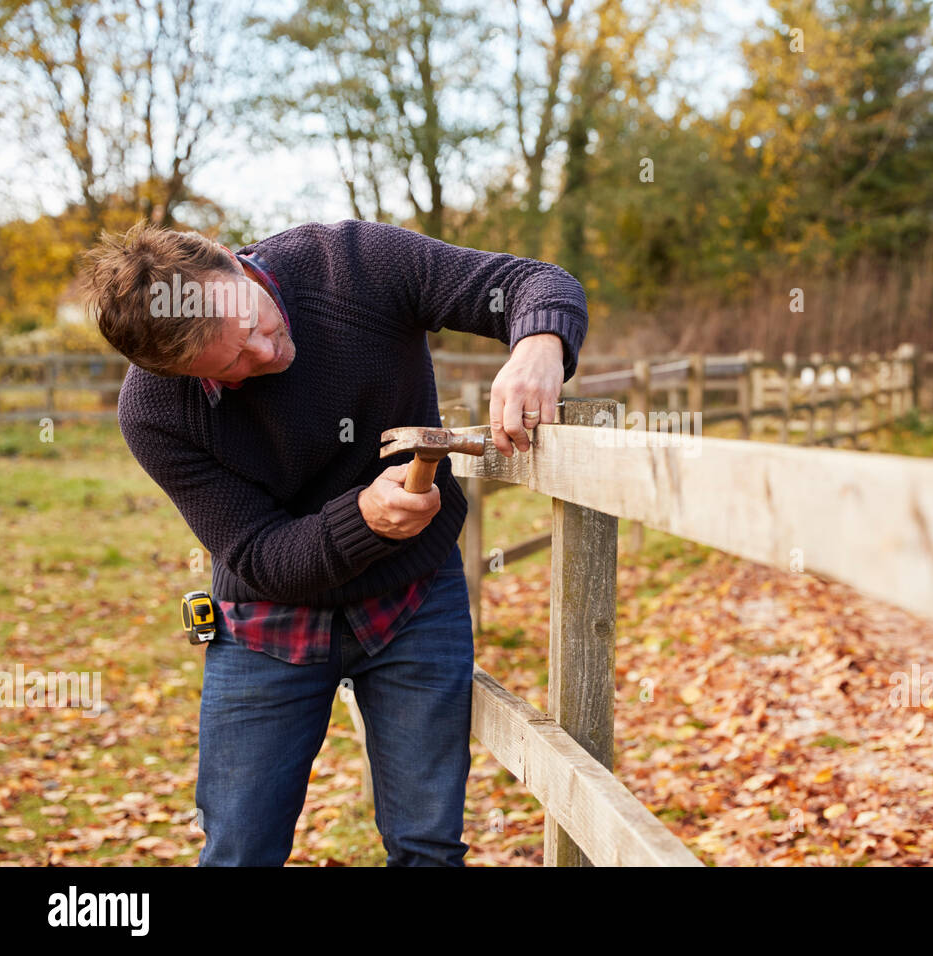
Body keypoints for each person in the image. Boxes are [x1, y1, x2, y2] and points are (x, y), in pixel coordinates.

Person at [79, 218, 588, 865]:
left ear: (233, 264)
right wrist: (363, 519)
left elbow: (532, 282)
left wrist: (538, 347)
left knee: (426, 845)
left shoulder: (354, 263)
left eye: (255, 323)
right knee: (239, 847)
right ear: (174, 372)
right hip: (265, 624)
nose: (264, 352)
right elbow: (260, 555)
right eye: (232, 364)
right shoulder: (153, 412)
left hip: (413, 599)